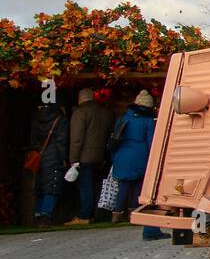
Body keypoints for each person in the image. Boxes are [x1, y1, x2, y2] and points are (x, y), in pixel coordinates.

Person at [110, 90, 166, 240]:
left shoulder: (124, 117)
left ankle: (117, 213)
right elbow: (151, 141)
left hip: (121, 154)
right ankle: (134, 212)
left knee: (123, 184)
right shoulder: (147, 121)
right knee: (138, 184)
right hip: (139, 153)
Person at [67, 87, 115, 224]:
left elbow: (77, 139)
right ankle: (96, 213)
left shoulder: (80, 113)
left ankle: (84, 215)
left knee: (85, 186)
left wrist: (73, 159)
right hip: (101, 155)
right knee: (97, 185)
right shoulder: (104, 112)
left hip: (84, 156)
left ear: (80, 98)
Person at [28, 101, 69, 227]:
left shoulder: (36, 118)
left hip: (39, 156)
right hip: (54, 157)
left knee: (40, 187)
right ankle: (46, 216)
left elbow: (32, 140)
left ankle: (37, 215)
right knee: (52, 187)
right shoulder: (60, 120)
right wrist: (64, 158)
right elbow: (61, 142)